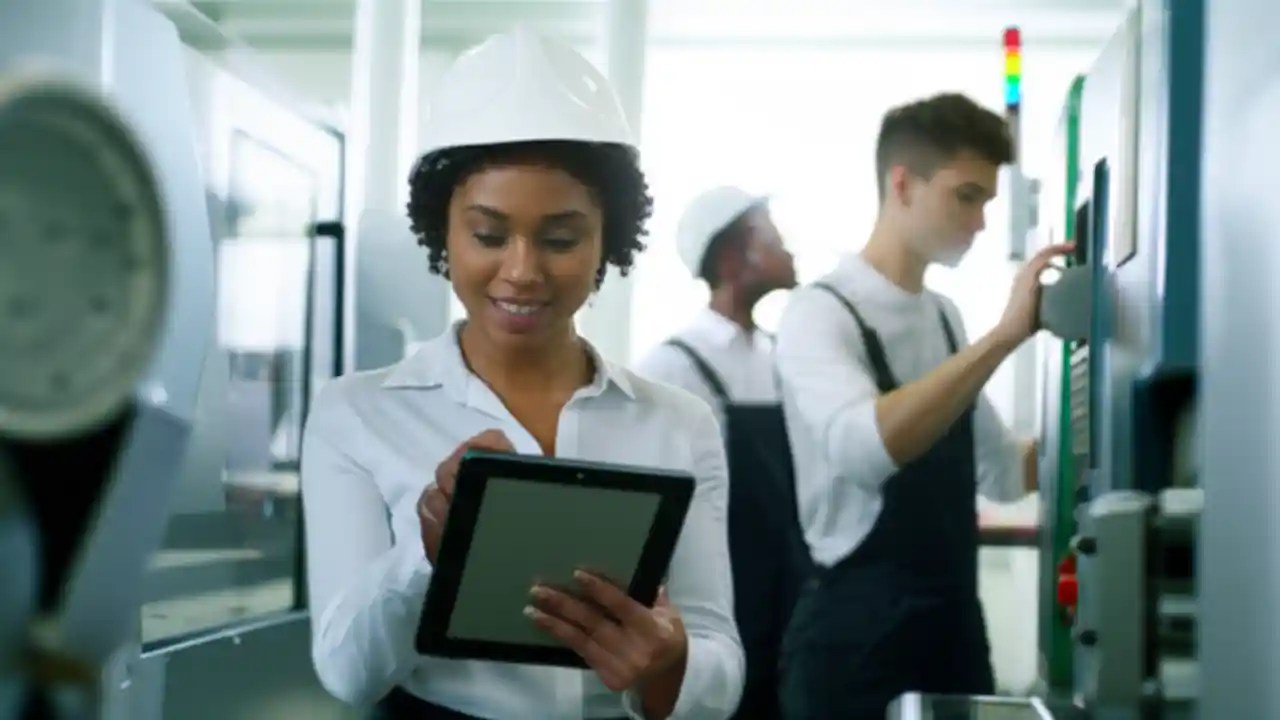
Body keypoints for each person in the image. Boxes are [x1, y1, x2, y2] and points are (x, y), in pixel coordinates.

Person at [300, 27, 744, 720]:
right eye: (488, 234)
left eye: (561, 238)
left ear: (608, 243)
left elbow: (720, 662)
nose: (522, 270)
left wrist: (669, 664)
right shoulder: (355, 413)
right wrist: (426, 556)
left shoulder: (677, 423)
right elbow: (346, 672)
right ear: (440, 232)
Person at [772, 92, 1071, 720]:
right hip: (854, 645)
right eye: (967, 196)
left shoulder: (942, 317)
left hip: (953, 632)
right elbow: (865, 449)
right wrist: (1003, 337)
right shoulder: (820, 312)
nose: (981, 222)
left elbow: (1002, 469)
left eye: (987, 202)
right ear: (902, 184)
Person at [634, 187, 806, 720]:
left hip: (795, 597)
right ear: (734, 258)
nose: (790, 250)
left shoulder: (787, 356)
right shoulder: (674, 367)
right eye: (774, 238)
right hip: (722, 599)